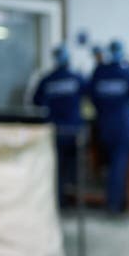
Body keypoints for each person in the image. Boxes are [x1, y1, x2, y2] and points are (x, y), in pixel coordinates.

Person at [88, 39, 129, 213]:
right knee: (119, 165)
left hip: (105, 126)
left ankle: (112, 201)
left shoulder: (99, 72)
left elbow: (92, 96)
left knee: (111, 165)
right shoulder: (124, 72)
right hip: (122, 126)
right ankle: (114, 205)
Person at [32, 44, 86, 206]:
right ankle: (72, 200)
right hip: (73, 131)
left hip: (54, 131)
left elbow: (36, 101)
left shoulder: (47, 80)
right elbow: (90, 93)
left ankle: (58, 201)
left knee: (55, 169)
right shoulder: (76, 78)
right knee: (74, 168)